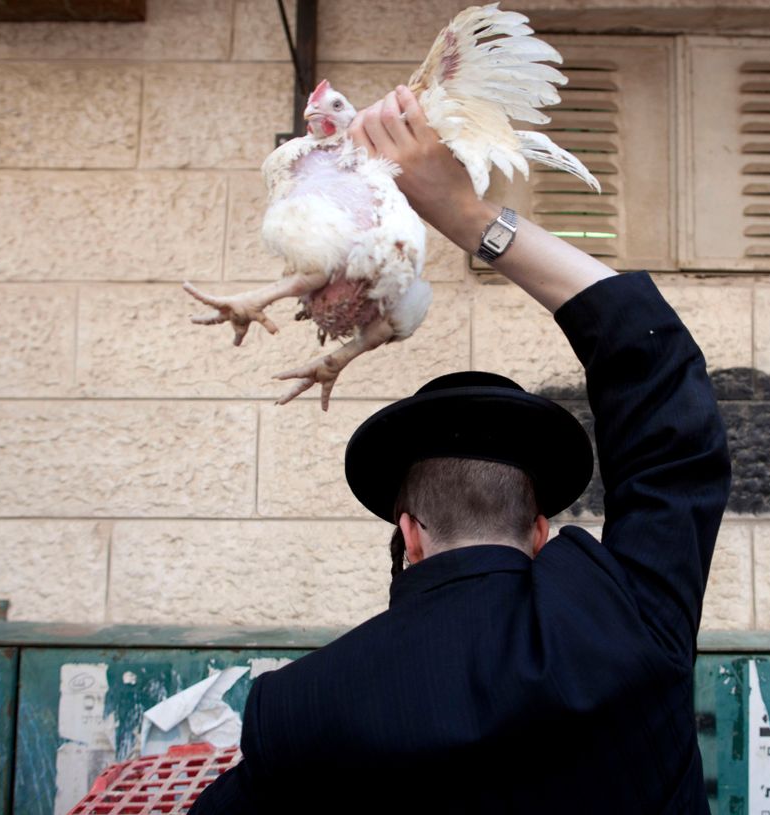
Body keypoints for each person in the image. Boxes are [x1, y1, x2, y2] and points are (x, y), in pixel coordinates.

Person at [190, 86, 731, 813]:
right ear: (539, 529)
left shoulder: (300, 711)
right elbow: (662, 384)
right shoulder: (626, 629)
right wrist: (468, 216)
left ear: (409, 534)